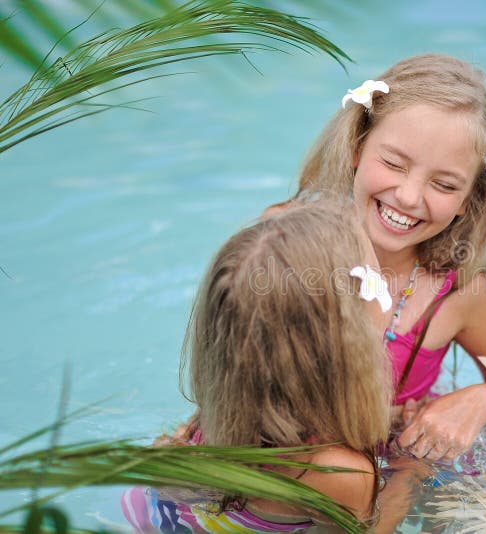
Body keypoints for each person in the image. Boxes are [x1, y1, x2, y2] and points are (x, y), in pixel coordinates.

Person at [289, 54, 486, 463]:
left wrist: (478, 402)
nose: (409, 197)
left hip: (395, 470)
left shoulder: (461, 293)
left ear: (469, 200)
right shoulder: (283, 242)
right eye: (393, 163)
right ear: (357, 146)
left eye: (444, 185)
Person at [122, 200, 396, 532]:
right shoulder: (337, 474)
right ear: (350, 342)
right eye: (378, 278)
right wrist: (412, 474)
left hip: (147, 513)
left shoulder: (227, 409)